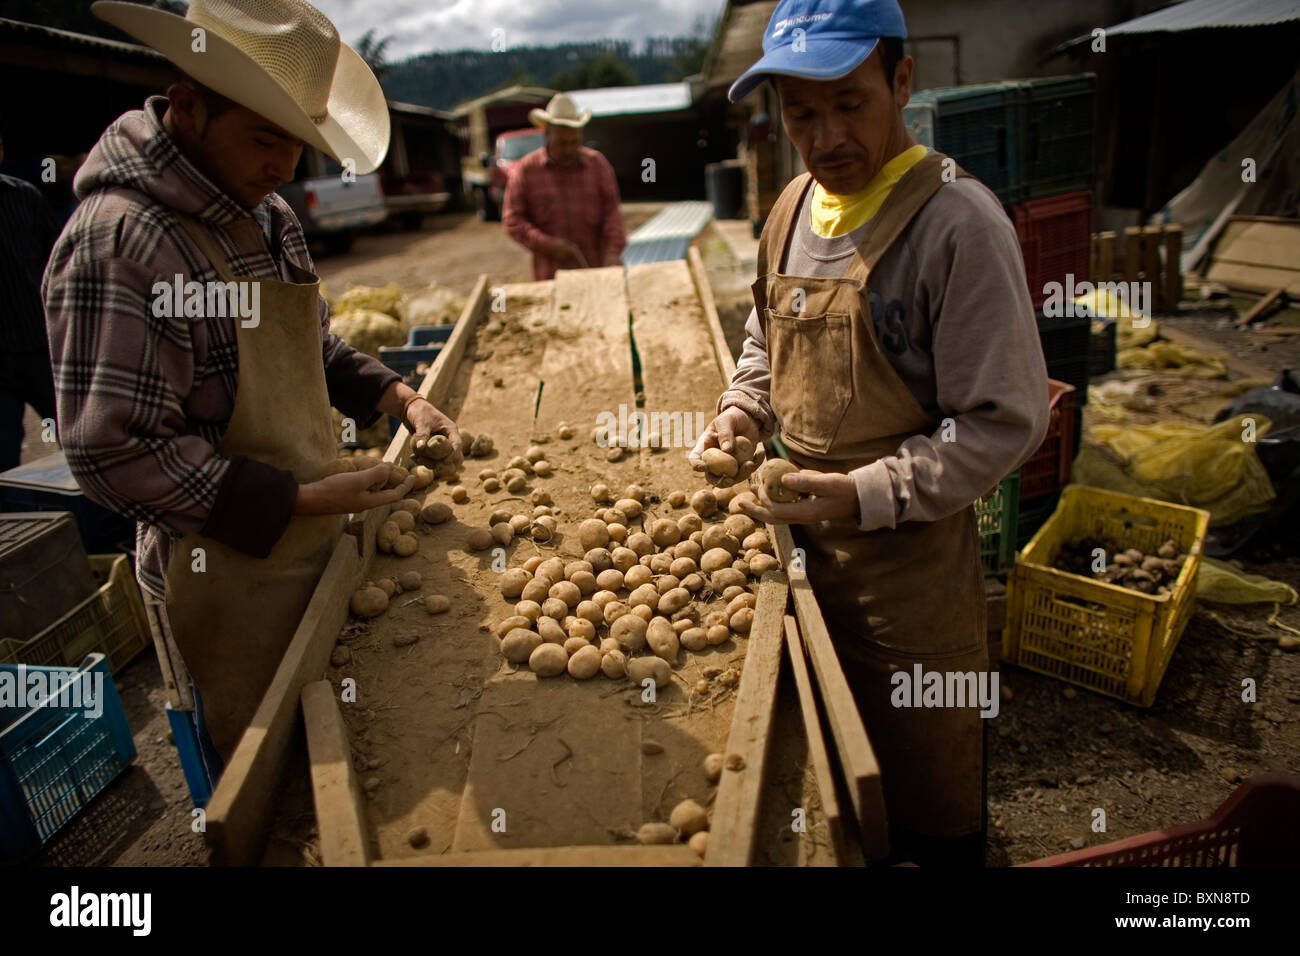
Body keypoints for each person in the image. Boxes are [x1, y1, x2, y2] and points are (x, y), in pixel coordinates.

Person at [43, 0, 461, 776]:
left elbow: (310, 346)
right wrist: (299, 501)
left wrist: (400, 400)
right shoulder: (122, 241)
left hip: (313, 543)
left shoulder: (263, 216)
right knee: (260, 778)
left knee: (350, 754)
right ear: (191, 106)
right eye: (267, 138)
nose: (288, 169)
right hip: (214, 570)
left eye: (299, 144)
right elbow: (108, 451)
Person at [690, 0, 1050, 867]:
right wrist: (745, 408)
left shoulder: (959, 223)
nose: (826, 136)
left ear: (901, 81)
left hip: (911, 586)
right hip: (801, 565)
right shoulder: (789, 208)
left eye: (849, 102)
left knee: (932, 812)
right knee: (830, 801)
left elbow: (1007, 421)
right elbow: (764, 339)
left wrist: (865, 493)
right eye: (801, 112)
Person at [502, 93, 626, 280]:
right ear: (547, 136)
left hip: (596, 272)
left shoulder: (597, 165)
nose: (568, 150)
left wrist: (612, 252)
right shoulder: (527, 170)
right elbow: (513, 220)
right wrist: (547, 245)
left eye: (573, 143)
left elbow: (612, 213)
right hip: (550, 276)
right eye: (561, 143)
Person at [0, 133, 61, 473]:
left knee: (75, 435)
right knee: (4, 452)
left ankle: (94, 520)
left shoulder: (24, 196)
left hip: (40, 343)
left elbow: (56, 263)